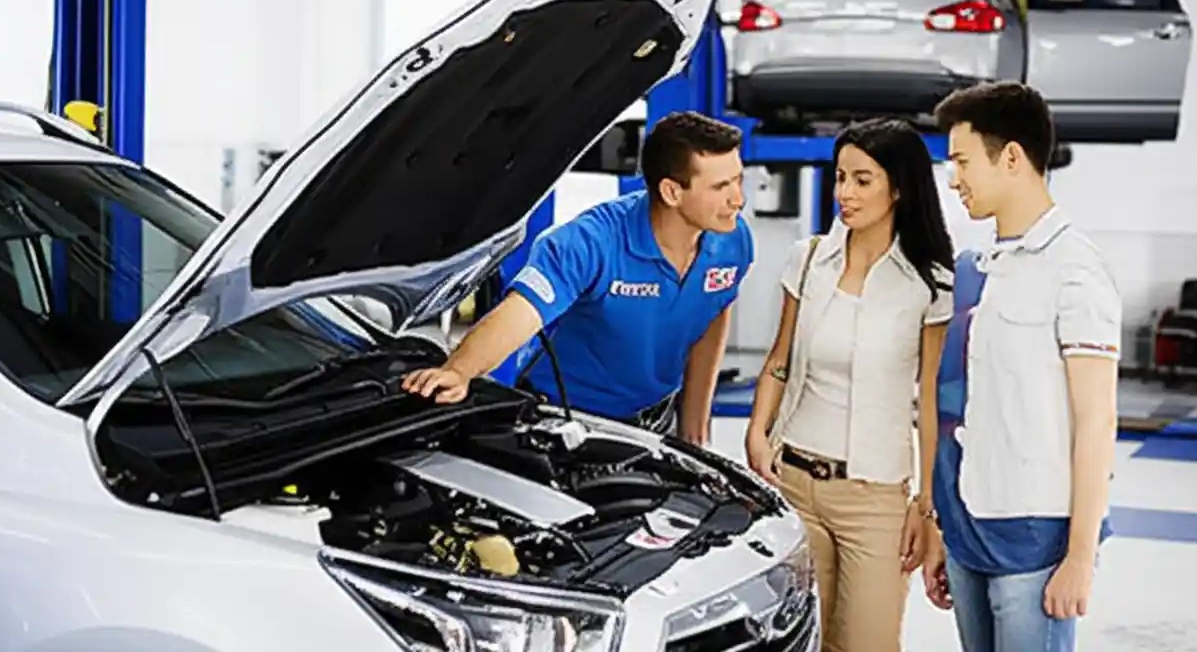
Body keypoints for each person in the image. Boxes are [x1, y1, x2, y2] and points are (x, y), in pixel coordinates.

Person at [401, 111, 753, 444]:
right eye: (721, 186)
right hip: (566, 418)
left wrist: (693, 422)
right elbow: (520, 313)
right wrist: (460, 371)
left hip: (655, 417)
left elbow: (713, 310)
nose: (739, 199)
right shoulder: (589, 242)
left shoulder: (732, 240)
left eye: (739, 179)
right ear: (672, 192)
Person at [922, 81, 1121, 652]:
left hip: (1033, 542)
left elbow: (1096, 422)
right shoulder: (979, 268)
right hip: (967, 532)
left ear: (1010, 157)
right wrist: (941, 527)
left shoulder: (1075, 271)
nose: (953, 178)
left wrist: (1080, 557)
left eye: (961, 161)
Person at [745, 118, 955, 652]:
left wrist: (927, 507)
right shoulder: (810, 258)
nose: (844, 193)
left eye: (863, 180)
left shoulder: (930, 283)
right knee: (796, 641)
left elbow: (928, 399)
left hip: (876, 499)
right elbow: (779, 359)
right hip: (793, 482)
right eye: (841, 177)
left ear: (899, 188)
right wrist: (755, 432)